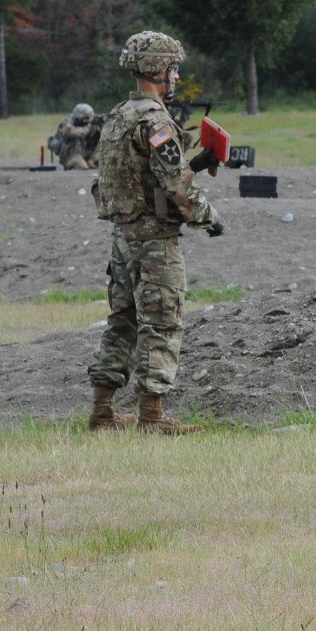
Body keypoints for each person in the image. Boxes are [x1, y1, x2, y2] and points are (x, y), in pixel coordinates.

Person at [87, 31, 223, 433]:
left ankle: (102, 412)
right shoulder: (155, 120)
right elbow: (174, 187)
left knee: (123, 321)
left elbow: (139, 174)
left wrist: (195, 162)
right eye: (172, 68)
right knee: (162, 322)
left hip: (123, 237)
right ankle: (151, 417)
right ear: (156, 69)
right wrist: (208, 216)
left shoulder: (118, 116)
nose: (176, 76)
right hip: (154, 241)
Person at [49, 103, 99, 169]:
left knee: (102, 160)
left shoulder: (89, 124)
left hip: (86, 151)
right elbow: (71, 132)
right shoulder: (67, 122)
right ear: (79, 116)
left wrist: (98, 129)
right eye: (86, 118)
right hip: (71, 154)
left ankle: (89, 161)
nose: (88, 121)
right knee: (82, 167)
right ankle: (74, 163)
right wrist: (89, 129)